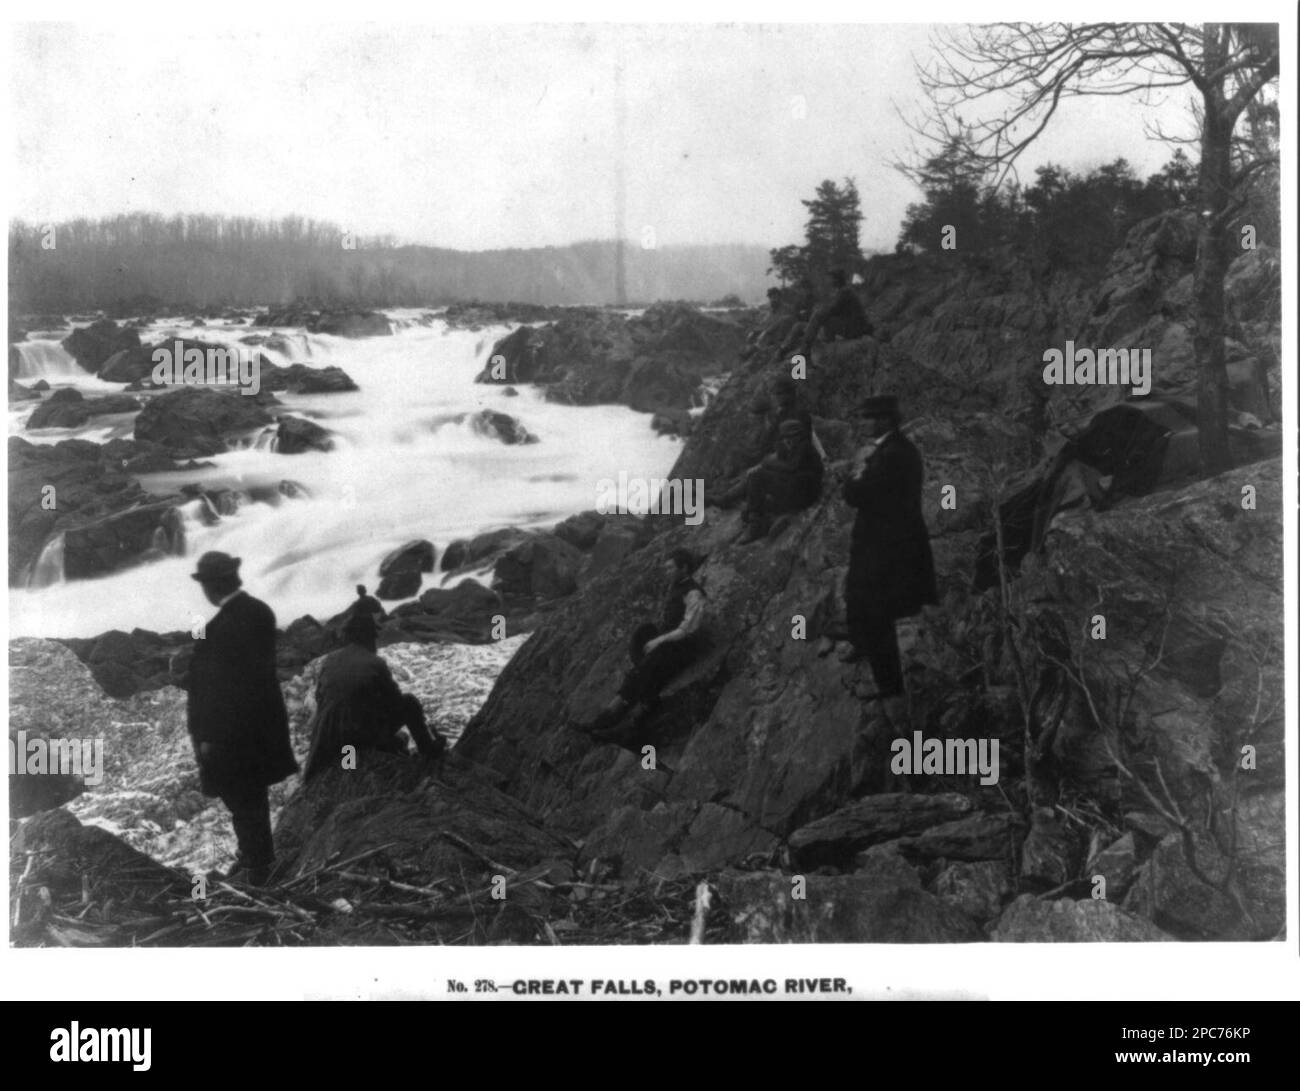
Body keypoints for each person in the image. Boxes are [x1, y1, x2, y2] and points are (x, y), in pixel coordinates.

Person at [186, 551, 297, 886]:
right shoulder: (261, 611)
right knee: (253, 795)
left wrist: (209, 737)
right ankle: (257, 858)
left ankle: (257, 866)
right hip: (261, 725)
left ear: (212, 586)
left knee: (240, 800)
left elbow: (219, 688)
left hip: (230, 733)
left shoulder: (219, 628)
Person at [840, 396, 937, 701]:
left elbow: (862, 495)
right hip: (886, 540)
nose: (863, 422)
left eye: (869, 418)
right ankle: (862, 644)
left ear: (885, 420)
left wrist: (849, 482)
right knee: (858, 594)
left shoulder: (893, 454)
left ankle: (888, 685)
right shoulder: (894, 449)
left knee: (876, 611)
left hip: (887, 545)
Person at [578, 548, 707, 740]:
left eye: (671, 567)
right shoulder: (675, 585)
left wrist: (658, 640)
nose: (667, 571)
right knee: (642, 635)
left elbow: (687, 629)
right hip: (668, 640)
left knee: (642, 670)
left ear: (684, 568)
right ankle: (635, 699)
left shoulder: (694, 593)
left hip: (683, 646)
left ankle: (609, 720)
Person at [303, 612, 446, 779]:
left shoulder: (329, 661)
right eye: (373, 637)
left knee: (381, 740)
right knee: (409, 703)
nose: (375, 641)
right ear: (367, 637)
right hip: (356, 738)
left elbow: (321, 699)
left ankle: (351, 764)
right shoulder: (375, 662)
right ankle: (428, 752)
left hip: (330, 739)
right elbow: (395, 701)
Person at [715, 374, 815, 509]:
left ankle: (727, 499)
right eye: (775, 393)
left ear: (790, 394)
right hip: (782, 457)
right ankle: (727, 494)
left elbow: (794, 448)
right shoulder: (783, 413)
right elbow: (769, 439)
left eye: (780, 393)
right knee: (750, 465)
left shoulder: (798, 414)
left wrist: (765, 462)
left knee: (757, 474)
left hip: (794, 465)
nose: (776, 397)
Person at [737, 418, 825, 543]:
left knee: (757, 477)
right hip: (798, 492)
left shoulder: (804, 448)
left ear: (799, 436)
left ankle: (757, 526)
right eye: (784, 438)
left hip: (801, 495)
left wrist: (767, 464)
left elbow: (791, 468)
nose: (787, 441)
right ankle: (763, 519)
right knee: (749, 509)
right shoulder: (799, 447)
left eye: (790, 437)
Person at [801, 268, 873, 357]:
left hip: (856, 328)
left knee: (819, 316)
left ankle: (805, 349)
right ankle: (823, 344)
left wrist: (819, 311)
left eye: (831, 279)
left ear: (836, 280)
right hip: (855, 326)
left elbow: (831, 310)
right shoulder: (843, 291)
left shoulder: (845, 292)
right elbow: (833, 309)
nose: (829, 281)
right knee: (821, 316)